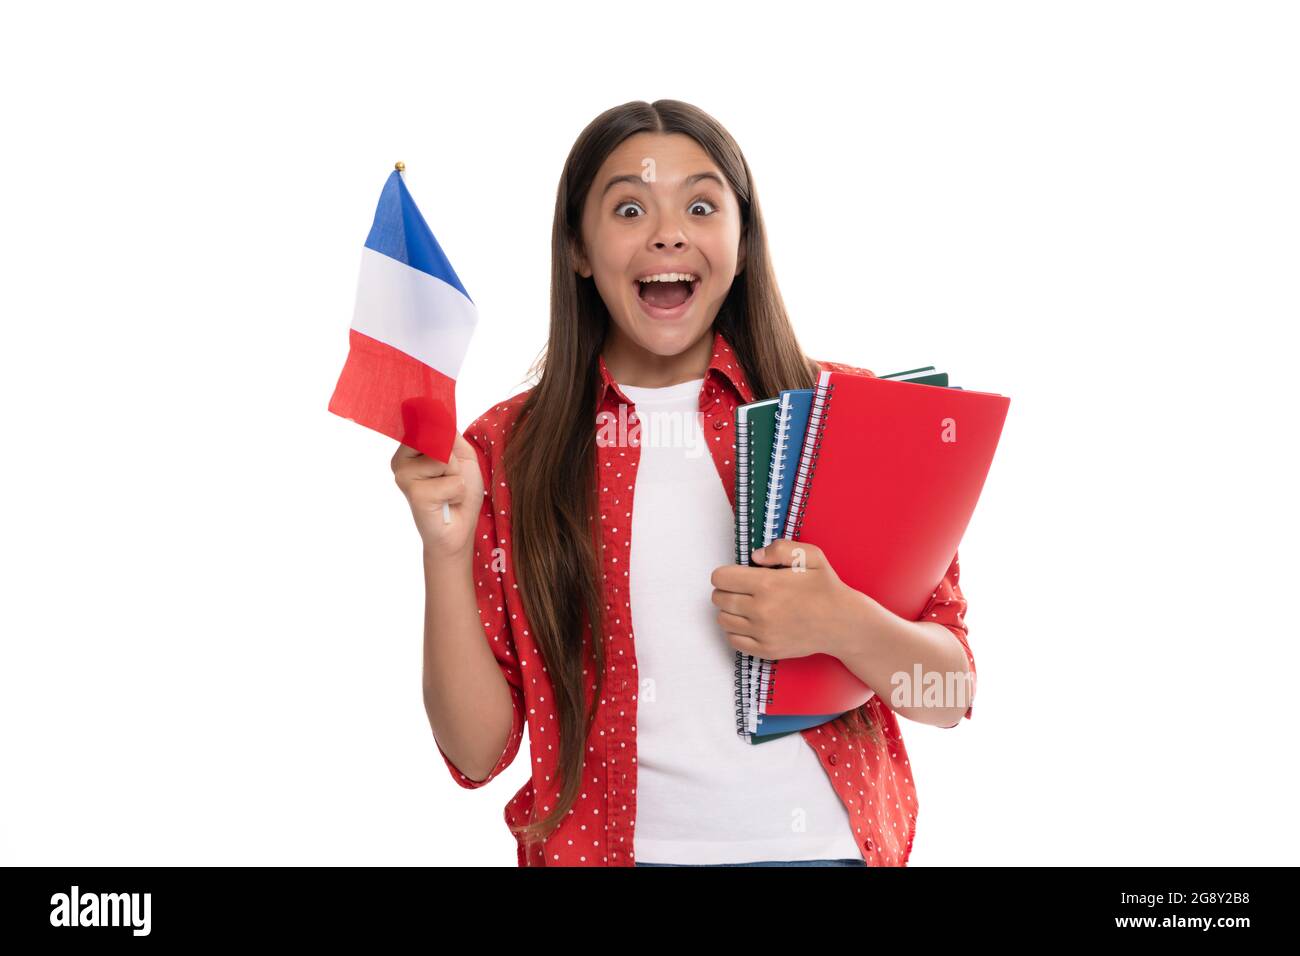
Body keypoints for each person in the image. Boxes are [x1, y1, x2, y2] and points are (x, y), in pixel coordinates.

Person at [393, 99, 975, 868]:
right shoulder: (505, 451)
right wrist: (445, 549)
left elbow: (949, 695)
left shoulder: (848, 419)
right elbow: (476, 753)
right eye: (629, 208)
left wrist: (840, 624)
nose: (668, 231)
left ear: (741, 238)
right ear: (578, 247)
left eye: (700, 205)